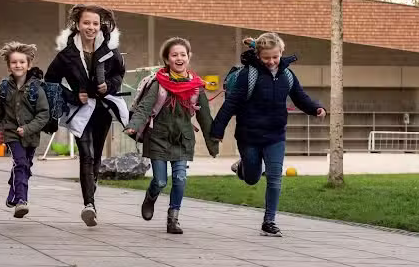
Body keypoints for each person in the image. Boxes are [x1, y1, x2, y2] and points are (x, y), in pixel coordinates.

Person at [210, 33, 326, 237]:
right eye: (266, 58)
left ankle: (269, 221)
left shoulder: (287, 75)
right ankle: (242, 167)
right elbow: (231, 103)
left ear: (281, 53)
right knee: (252, 178)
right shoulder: (249, 75)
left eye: (275, 57)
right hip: (249, 136)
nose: (271, 62)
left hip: (275, 135)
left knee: (274, 177)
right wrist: (217, 131)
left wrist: (316, 108)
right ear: (258, 55)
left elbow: (300, 97)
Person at [124, 38, 219, 234]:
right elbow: (144, 108)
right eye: (174, 55)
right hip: (158, 137)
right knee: (160, 181)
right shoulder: (158, 83)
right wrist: (134, 125)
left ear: (188, 57)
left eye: (183, 54)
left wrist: (213, 143)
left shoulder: (195, 86)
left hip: (182, 139)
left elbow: (205, 117)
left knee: (180, 179)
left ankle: (173, 218)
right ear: (167, 59)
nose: (179, 58)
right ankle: (151, 197)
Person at [45, 4, 128, 227]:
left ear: (101, 25)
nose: (91, 27)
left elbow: (119, 73)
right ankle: (89, 205)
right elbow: (50, 81)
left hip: (102, 109)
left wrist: (108, 86)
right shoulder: (67, 54)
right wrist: (72, 96)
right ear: (78, 25)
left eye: (95, 23)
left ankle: (91, 187)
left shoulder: (110, 50)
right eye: (86, 23)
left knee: (96, 157)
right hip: (81, 110)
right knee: (87, 155)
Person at [0, 42, 50, 218]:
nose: (18, 65)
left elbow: (43, 114)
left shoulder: (36, 88)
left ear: (28, 64)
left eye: (22, 62)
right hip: (12, 134)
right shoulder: (4, 87)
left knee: (25, 166)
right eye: (14, 62)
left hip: (31, 135)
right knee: (21, 163)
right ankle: (22, 201)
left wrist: (29, 129)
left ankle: (12, 192)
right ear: (9, 65)